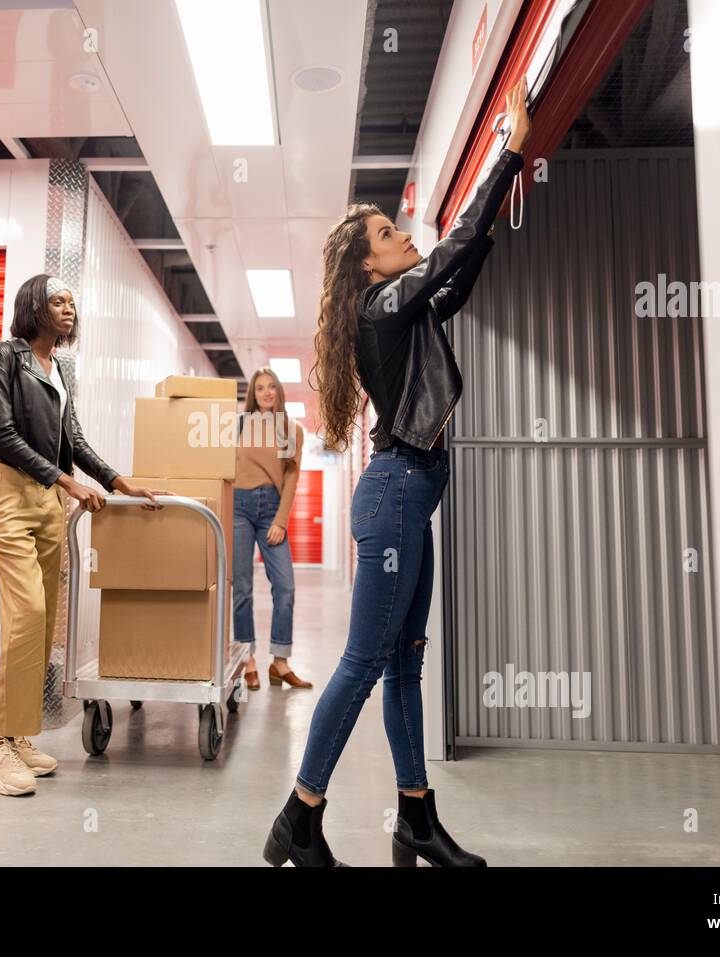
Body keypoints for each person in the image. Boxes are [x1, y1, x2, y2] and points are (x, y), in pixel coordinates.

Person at [262, 80, 531, 865]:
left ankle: (417, 820)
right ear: (367, 265)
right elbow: (447, 255)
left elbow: (460, 271)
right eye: (388, 232)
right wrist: (509, 151)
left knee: (405, 660)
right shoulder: (382, 308)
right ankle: (299, 816)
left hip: (413, 495)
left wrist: (493, 212)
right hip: (394, 495)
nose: (403, 233)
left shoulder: (404, 311)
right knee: (364, 659)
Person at [0, 274, 162, 797]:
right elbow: (1, 432)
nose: (68, 310)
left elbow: (72, 438)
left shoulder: (59, 368)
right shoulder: (4, 356)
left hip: (48, 500)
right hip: (9, 492)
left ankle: (17, 734)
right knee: (28, 612)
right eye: (58, 301)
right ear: (33, 306)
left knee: (43, 619)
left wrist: (116, 480)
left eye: (72, 303)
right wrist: (65, 482)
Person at [233, 368, 311, 691]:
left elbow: (292, 477)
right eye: (259, 388)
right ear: (253, 393)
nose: (266, 392)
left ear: (279, 391)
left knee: (286, 586)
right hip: (238, 506)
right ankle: (247, 658)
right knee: (242, 588)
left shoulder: (291, 430)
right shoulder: (237, 425)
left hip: (271, 508)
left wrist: (280, 520)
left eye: (271, 387)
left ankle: (280, 662)